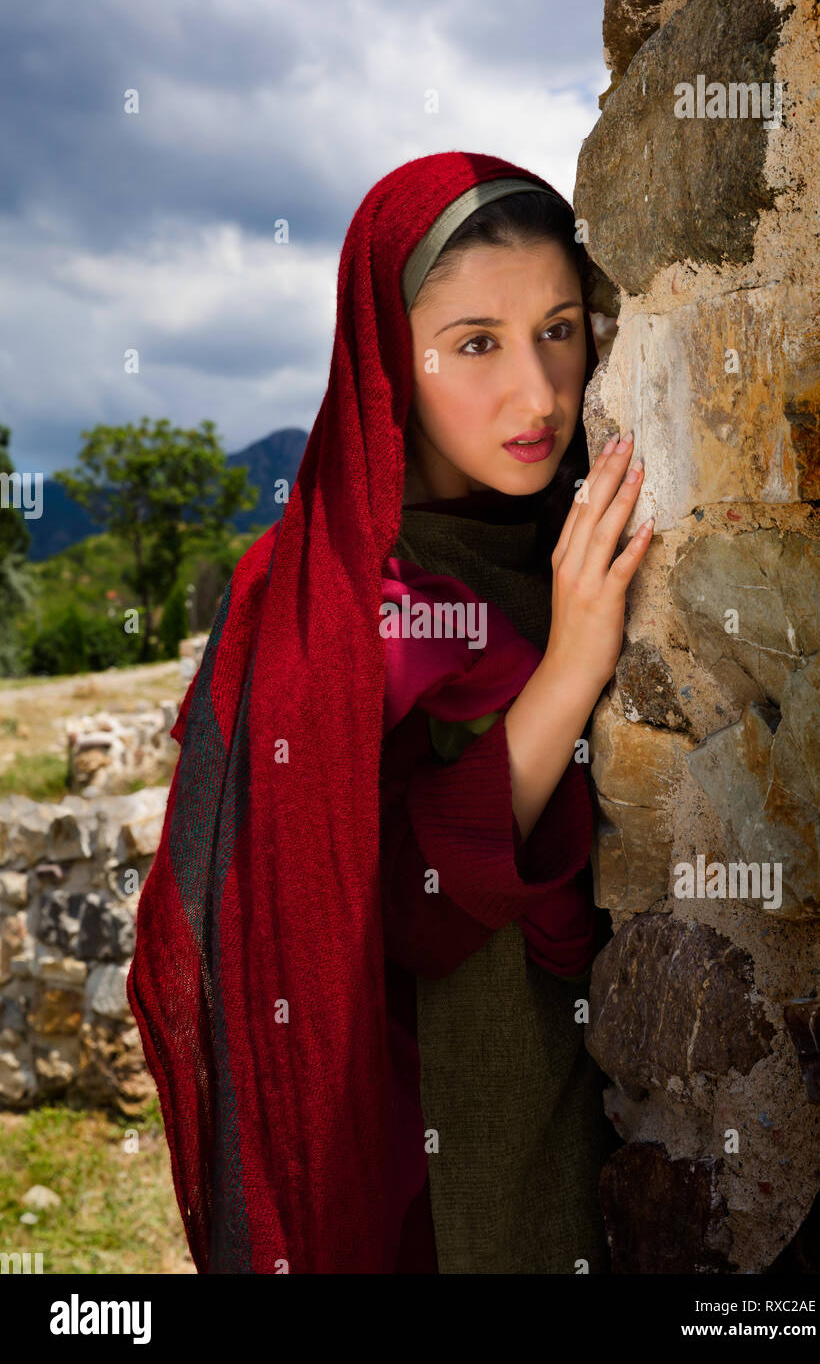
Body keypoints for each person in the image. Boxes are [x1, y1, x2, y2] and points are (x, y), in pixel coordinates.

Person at [126, 150, 652, 1275]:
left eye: (559, 328)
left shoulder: (599, 531)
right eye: (475, 344)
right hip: (410, 1170)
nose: (537, 392)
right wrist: (562, 672)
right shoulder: (315, 600)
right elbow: (388, 912)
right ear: (386, 361)